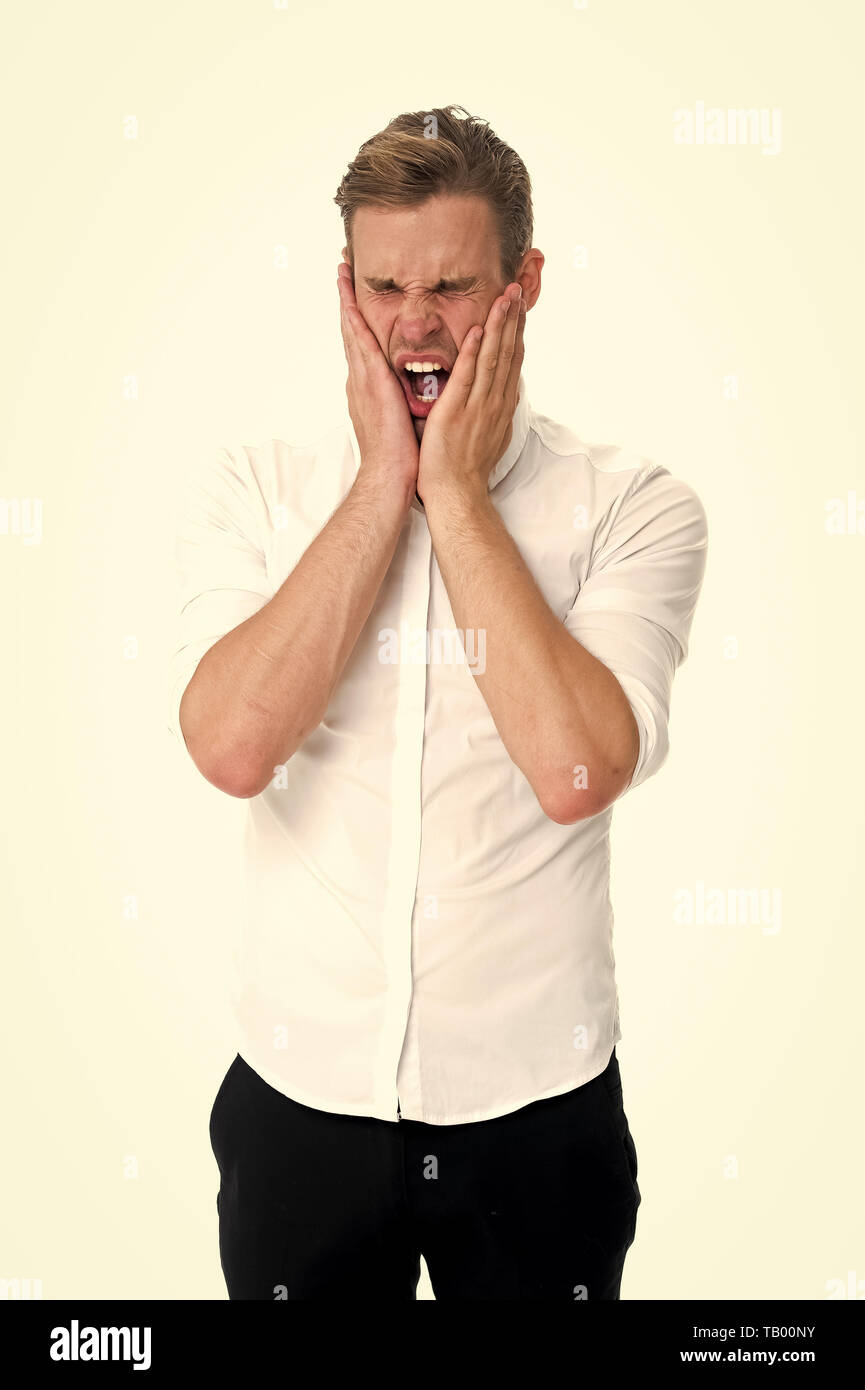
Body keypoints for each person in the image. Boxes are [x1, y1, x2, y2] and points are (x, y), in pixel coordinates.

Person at [167, 104, 708, 1300]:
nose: (414, 326)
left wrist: (454, 493)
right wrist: (379, 488)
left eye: (455, 288)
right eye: (383, 287)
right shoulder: (254, 489)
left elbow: (576, 772)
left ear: (525, 283)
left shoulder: (635, 505)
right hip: (300, 1104)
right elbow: (233, 747)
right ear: (343, 288)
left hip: (536, 1115)